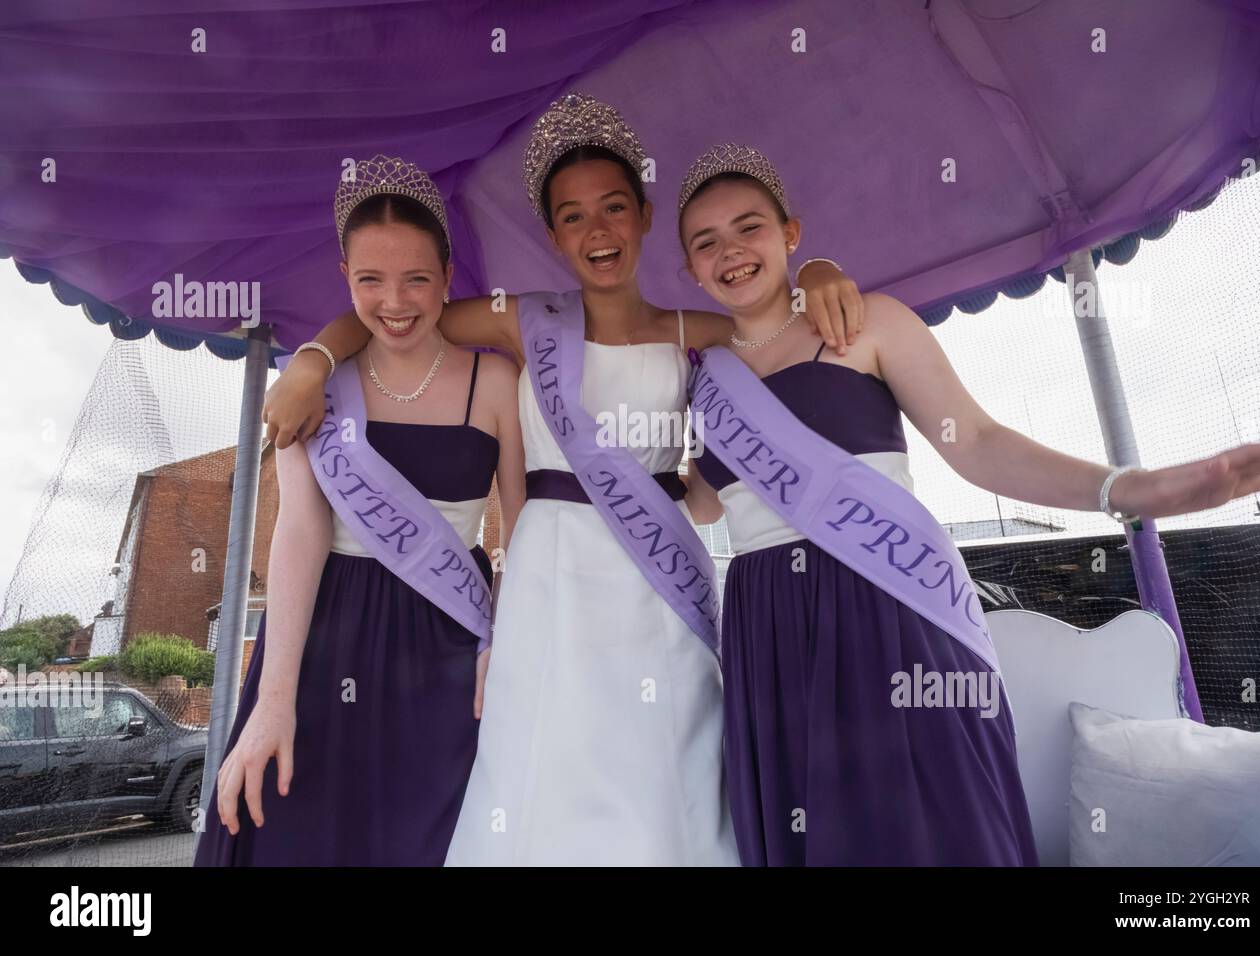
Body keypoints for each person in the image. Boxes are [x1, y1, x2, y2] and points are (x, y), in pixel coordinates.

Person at [263, 95, 863, 865]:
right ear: (552, 234)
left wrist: (817, 268)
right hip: (546, 567)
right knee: (545, 753)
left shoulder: (696, 330)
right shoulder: (523, 319)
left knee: (663, 752)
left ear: (645, 216)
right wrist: (314, 358)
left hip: (654, 573)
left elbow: (775, 317)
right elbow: (404, 308)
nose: (597, 230)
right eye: (573, 216)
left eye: (614, 207)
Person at [676, 144, 1260, 866]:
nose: (730, 251)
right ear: (690, 267)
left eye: (748, 227)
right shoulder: (704, 385)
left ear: (790, 233)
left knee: (921, 823)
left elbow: (974, 441)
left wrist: (1133, 488)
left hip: (887, 604)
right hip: (768, 628)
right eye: (706, 242)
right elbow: (703, 503)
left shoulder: (866, 322)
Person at [194, 156, 525, 865]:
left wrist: (506, 641)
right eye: (371, 279)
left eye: (416, 278)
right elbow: (301, 534)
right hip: (320, 641)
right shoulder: (315, 386)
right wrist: (272, 700)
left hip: (447, 649)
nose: (395, 301)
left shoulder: (495, 382)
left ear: (446, 275)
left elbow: (523, 529)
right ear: (345, 276)